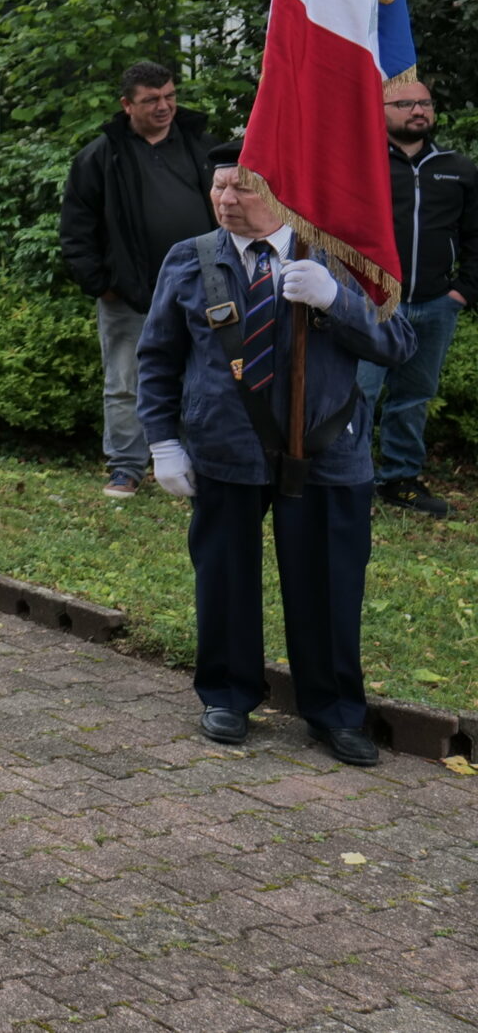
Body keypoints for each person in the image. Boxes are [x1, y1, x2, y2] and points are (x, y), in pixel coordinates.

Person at [138, 143, 417, 767]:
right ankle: (228, 695)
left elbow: (399, 342)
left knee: (328, 585)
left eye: (243, 188)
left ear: (284, 191)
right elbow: (157, 359)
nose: (227, 201)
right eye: (219, 188)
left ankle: (334, 712)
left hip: (326, 451)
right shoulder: (191, 259)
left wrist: (335, 301)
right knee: (225, 577)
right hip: (225, 450)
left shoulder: (342, 258)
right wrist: (161, 442)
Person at [59, 61, 215, 497]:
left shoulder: (203, 147)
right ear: (127, 104)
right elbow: (76, 229)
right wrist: (101, 282)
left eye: (169, 95)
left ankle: (193, 464)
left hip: (202, 287)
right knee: (126, 381)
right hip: (129, 292)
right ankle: (125, 466)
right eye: (151, 100)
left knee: (201, 377)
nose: (164, 106)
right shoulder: (99, 157)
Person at [355, 78, 470, 518]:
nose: (417, 110)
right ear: (380, 108)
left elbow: (474, 234)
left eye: (424, 103)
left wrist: (462, 292)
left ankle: (400, 478)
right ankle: (352, 478)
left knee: (413, 396)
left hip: (435, 304)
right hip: (372, 302)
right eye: (404, 103)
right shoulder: (362, 164)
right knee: (359, 394)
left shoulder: (456, 167)